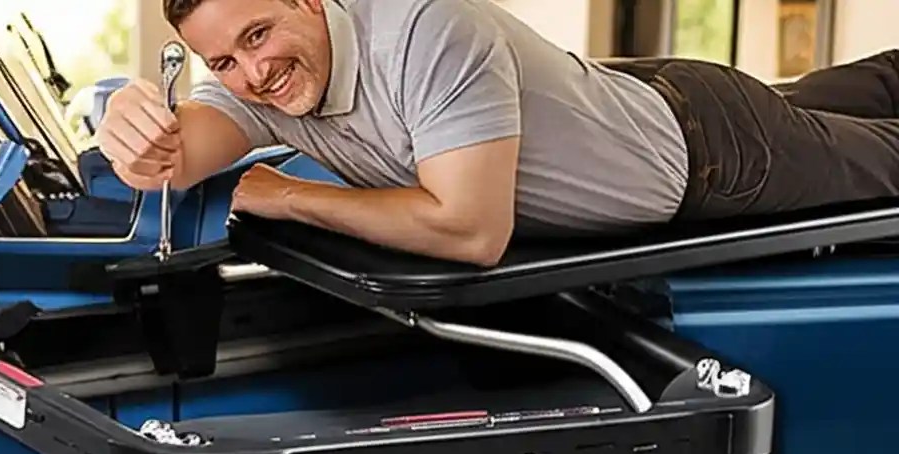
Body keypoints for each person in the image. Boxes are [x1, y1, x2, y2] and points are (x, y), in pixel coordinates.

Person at [94, 0, 899, 266]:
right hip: (643, 93)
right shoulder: (263, 83)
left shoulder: (425, 29)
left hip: (718, 155)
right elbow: (175, 157)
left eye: (260, 34)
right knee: (875, 87)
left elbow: (471, 229)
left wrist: (292, 197)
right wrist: (133, 131)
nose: (252, 73)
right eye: (223, 61)